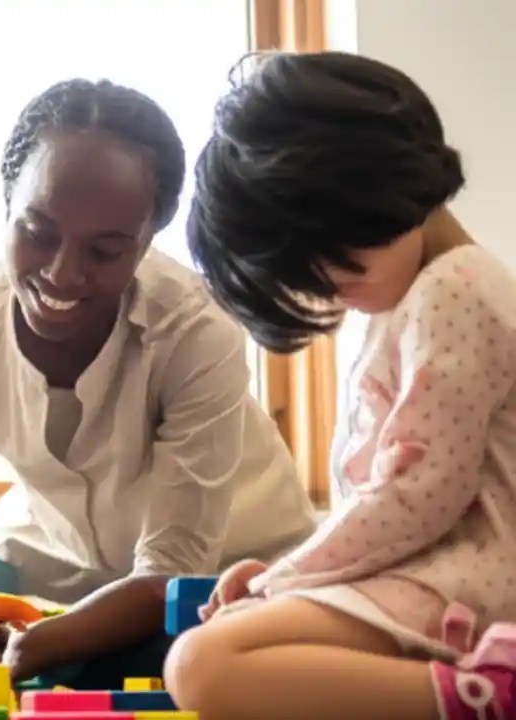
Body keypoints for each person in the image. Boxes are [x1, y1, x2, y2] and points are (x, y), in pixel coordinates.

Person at [0, 77, 317, 687]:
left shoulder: (195, 334)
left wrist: (36, 646)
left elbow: (170, 568)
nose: (62, 272)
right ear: (7, 206)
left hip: (216, 576)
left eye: (105, 250)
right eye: (38, 232)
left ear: (147, 240)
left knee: (124, 676)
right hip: (43, 553)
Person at [165, 51, 516, 720]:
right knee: (221, 654)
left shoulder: (456, 289)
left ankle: (492, 693)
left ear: (376, 188)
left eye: (329, 259)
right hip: (428, 582)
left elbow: (416, 499)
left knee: (204, 663)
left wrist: (284, 577)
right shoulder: (416, 295)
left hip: (464, 591)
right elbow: (393, 499)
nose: (325, 284)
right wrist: (295, 573)